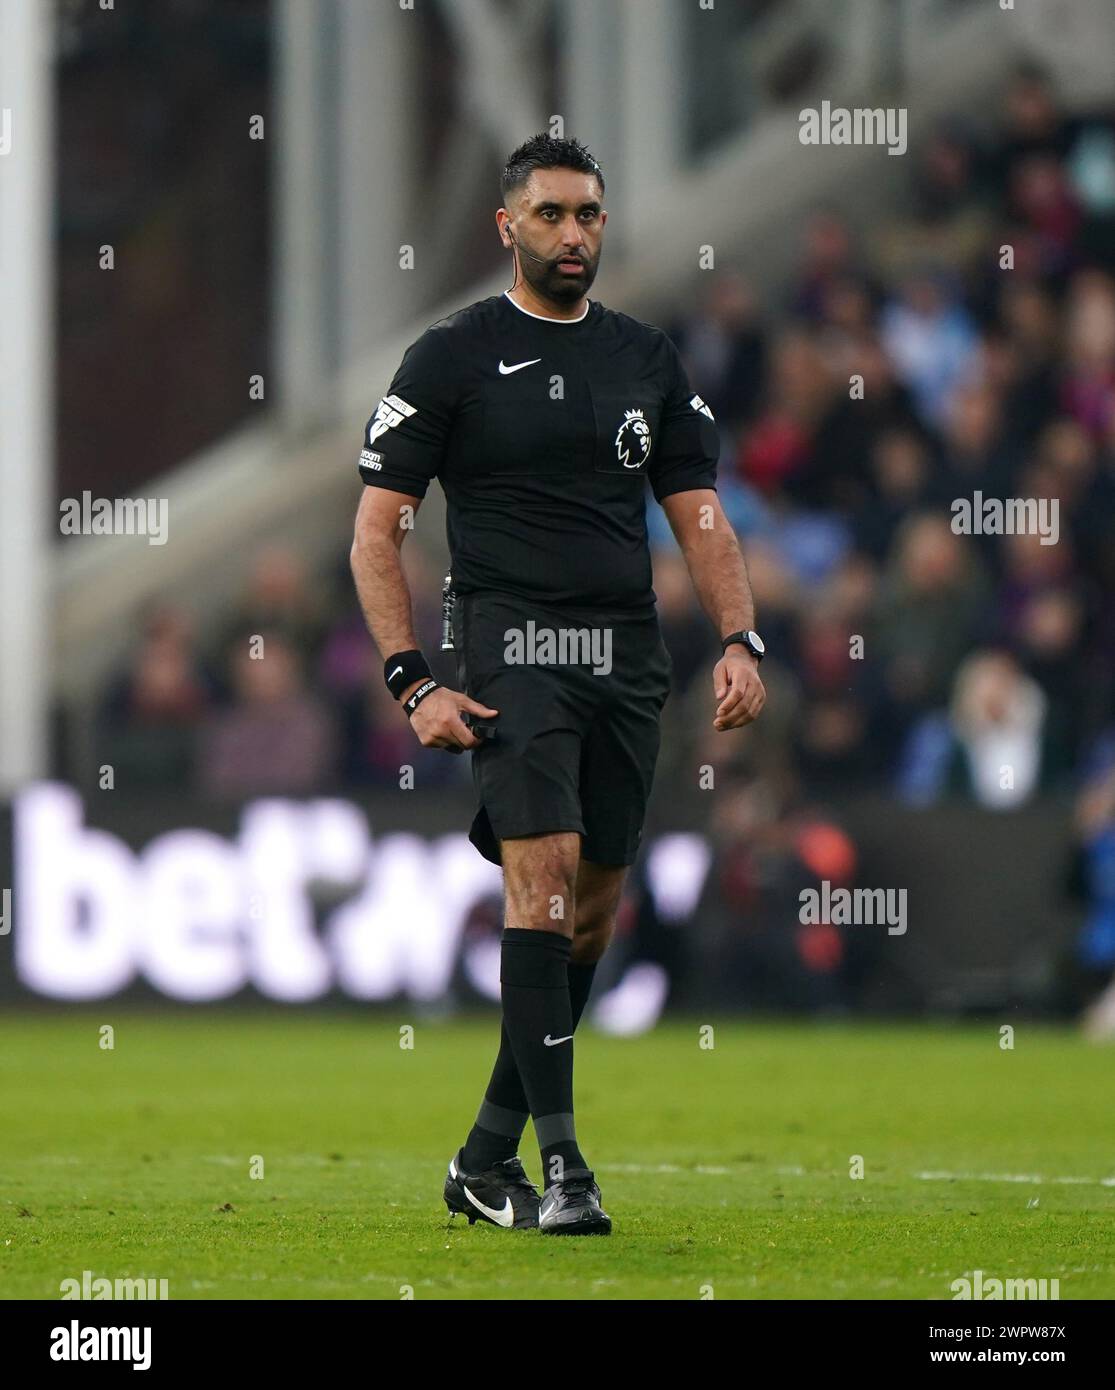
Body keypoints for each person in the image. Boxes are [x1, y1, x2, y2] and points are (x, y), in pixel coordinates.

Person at [349, 134, 766, 1235]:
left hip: (626, 659)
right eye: (549, 215)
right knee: (537, 884)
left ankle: (483, 1157)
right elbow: (374, 535)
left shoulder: (644, 359)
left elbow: (699, 513)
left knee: (588, 913)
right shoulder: (447, 358)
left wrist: (738, 637)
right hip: (512, 649)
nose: (571, 234)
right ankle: (566, 1167)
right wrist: (410, 680)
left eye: (586, 215)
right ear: (507, 227)